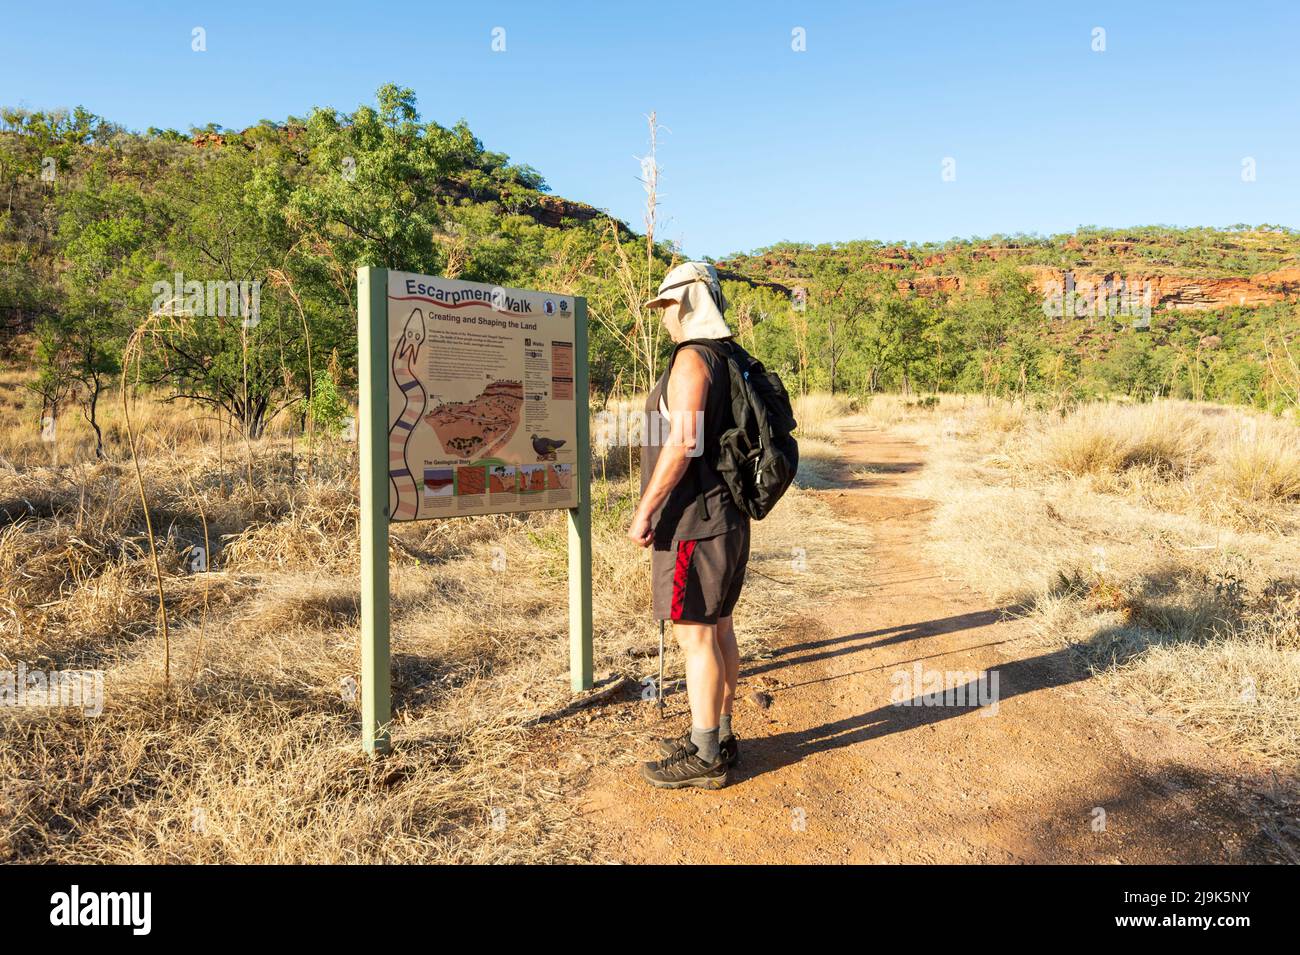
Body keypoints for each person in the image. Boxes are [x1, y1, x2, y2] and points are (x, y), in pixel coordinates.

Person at [628, 261, 749, 790]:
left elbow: (683, 441)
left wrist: (646, 509)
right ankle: (718, 734)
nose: (664, 319)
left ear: (685, 303)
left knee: (695, 635)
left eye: (666, 308)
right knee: (719, 627)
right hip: (728, 515)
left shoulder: (691, 361)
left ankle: (705, 757)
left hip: (694, 522)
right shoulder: (730, 357)